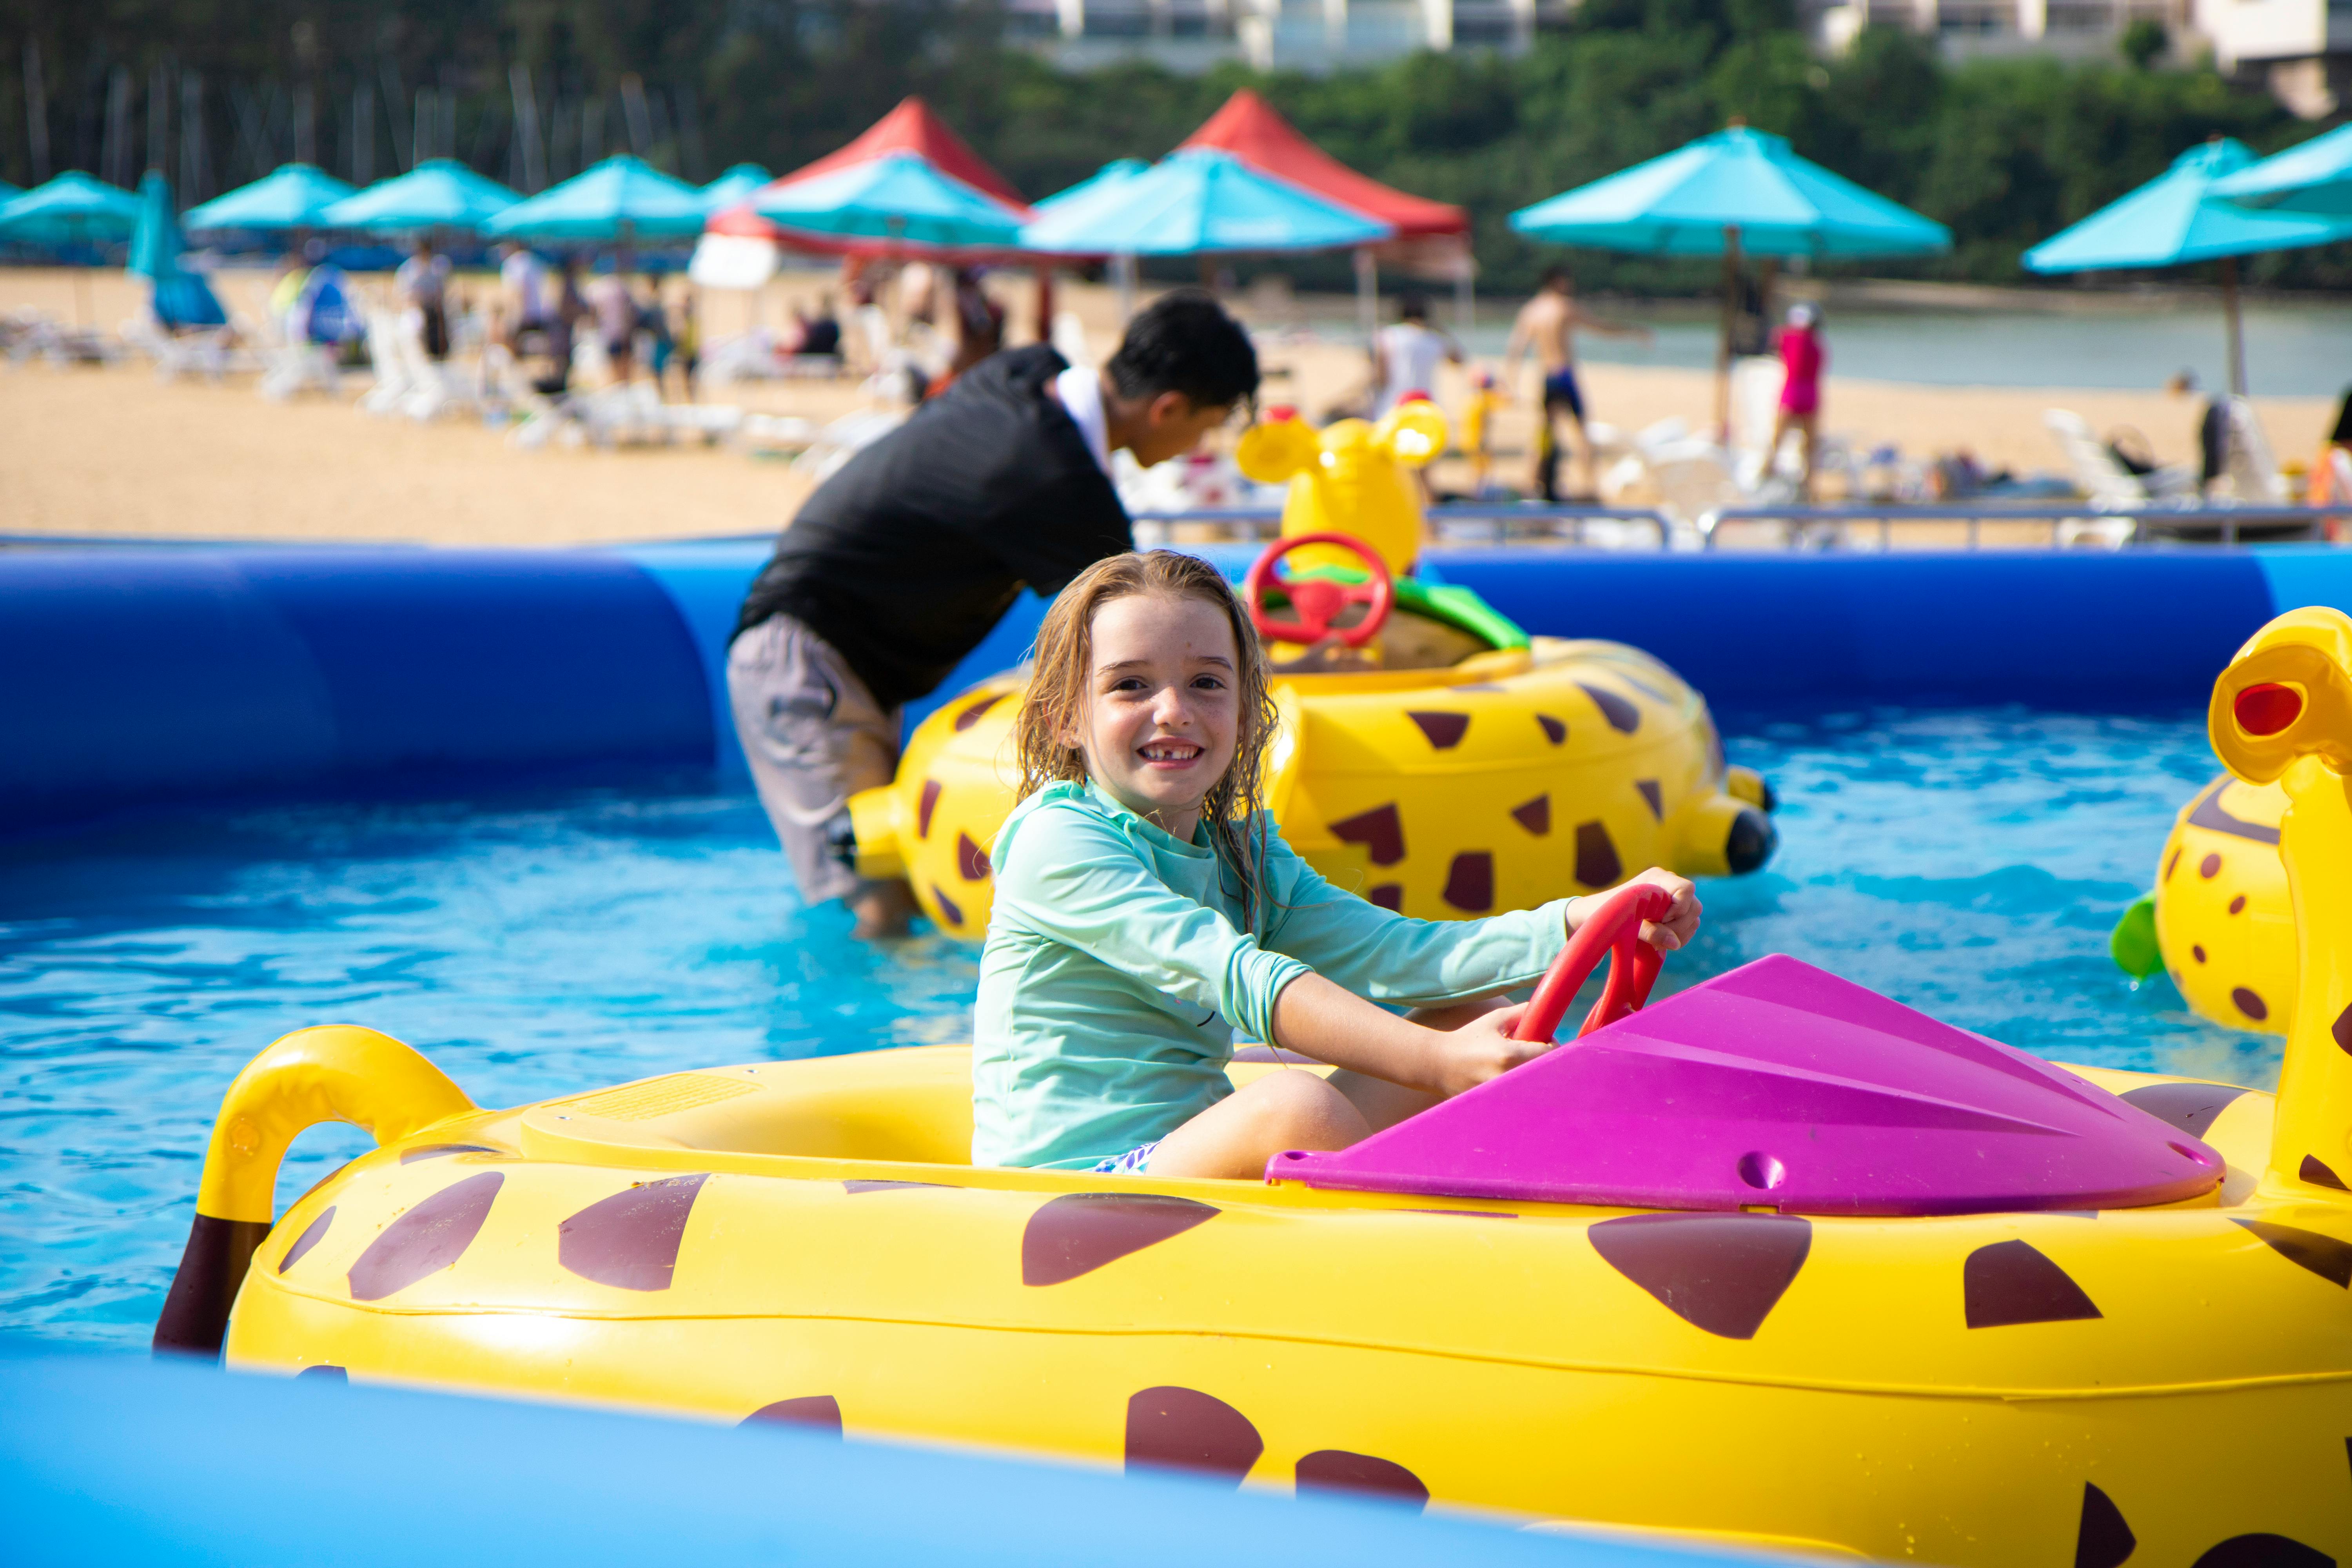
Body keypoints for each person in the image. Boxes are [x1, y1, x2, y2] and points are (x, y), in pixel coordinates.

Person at [970, 550, 1702, 1178]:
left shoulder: (1241, 855)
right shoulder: (1056, 840)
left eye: (1207, 682)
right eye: (1131, 685)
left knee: (1474, 1021)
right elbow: (1239, 976)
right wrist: (1432, 1063)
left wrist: (1584, 918)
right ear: (1063, 717)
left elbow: (1404, 954)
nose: (1173, 710)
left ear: (1246, 709)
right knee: (1296, 1106)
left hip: (1182, 1150)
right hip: (1067, 1183)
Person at [728, 289, 1260, 940]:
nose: (1196, 445)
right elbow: (1151, 620)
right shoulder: (1049, 478)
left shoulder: (1028, 372)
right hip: (806, 658)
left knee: (897, 880)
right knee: (875, 897)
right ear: (1168, 407)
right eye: (1204, 427)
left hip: (838, 656)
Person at [1503, 266, 1652, 503]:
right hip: (1565, 374)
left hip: (1548, 377)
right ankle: (1590, 486)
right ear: (1557, 282)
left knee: (1545, 432)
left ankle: (1530, 485)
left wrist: (1511, 383)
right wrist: (1633, 331)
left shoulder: (1532, 310)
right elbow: (1600, 327)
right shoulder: (1564, 307)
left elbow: (1517, 349)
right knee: (1581, 431)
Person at [1370, 295, 1463, 416]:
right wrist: (1441, 328)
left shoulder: (1388, 335)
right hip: (1425, 406)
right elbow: (1458, 360)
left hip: (1393, 405)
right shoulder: (1434, 339)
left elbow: (1381, 377)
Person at [1771, 303, 1826, 501]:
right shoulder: (1816, 343)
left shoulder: (1788, 338)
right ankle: (1810, 488)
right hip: (1810, 396)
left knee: (1777, 441)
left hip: (1792, 393)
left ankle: (1768, 474)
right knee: (1809, 449)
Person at [395, 237, 453, 361]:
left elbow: (443, 291)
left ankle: (440, 353)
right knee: (416, 321)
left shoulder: (437, 267)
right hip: (416, 309)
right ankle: (418, 357)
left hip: (434, 309)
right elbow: (404, 297)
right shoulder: (408, 270)